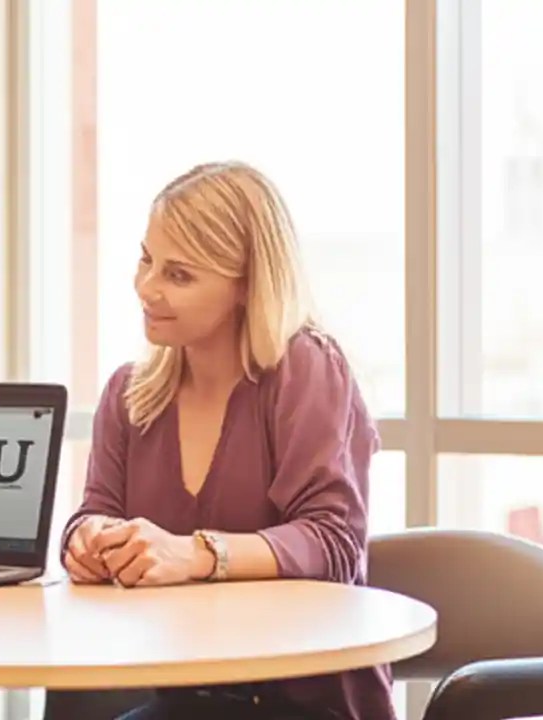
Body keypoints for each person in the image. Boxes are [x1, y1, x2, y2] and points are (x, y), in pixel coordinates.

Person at [60, 162, 391, 720]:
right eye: (146, 259)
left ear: (246, 286)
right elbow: (95, 512)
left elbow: (333, 543)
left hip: (302, 700)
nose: (147, 288)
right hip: (180, 692)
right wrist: (88, 540)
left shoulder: (307, 369)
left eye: (179, 275)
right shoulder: (129, 394)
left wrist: (193, 553)